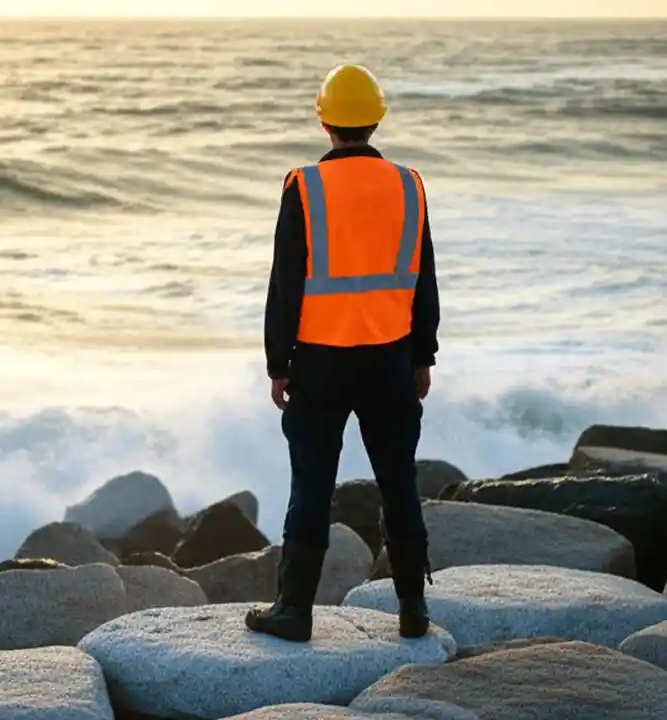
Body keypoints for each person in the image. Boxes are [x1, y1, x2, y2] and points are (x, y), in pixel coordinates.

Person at [246, 64, 440, 642]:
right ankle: (413, 610)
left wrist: (278, 363)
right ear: (376, 119)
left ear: (324, 120)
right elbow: (423, 277)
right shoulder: (409, 184)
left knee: (311, 485)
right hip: (389, 359)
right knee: (399, 481)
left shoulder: (304, 186)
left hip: (322, 363)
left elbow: (286, 283)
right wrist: (422, 355)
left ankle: (294, 611)